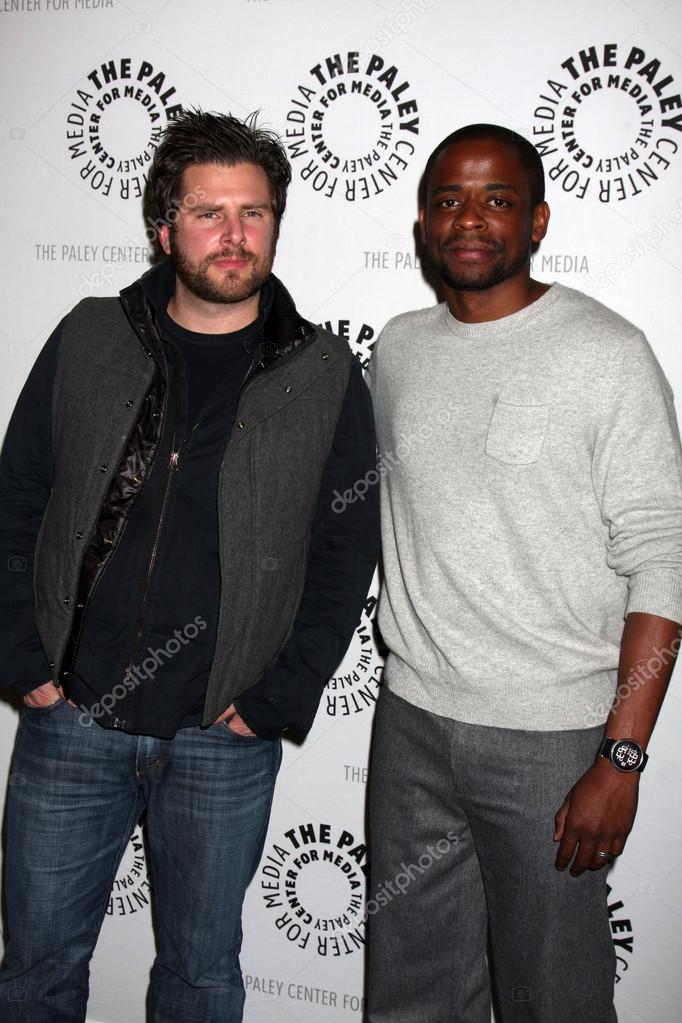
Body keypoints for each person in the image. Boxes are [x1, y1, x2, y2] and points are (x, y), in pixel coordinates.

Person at [0, 109, 378, 1023]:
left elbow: (344, 556)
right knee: (37, 973)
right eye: (210, 213)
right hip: (72, 722)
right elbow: (16, 504)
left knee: (202, 976)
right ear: (164, 227)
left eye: (255, 212)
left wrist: (275, 701)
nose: (235, 234)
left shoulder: (325, 370)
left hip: (223, 734)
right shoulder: (88, 335)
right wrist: (25, 667)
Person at [365, 123, 682, 1023]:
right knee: (411, 994)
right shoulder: (397, 349)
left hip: (551, 741)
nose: (470, 218)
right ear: (423, 223)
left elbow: (664, 554)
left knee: (557, 1000)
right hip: (412, 724)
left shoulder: (606, 353)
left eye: (496, 198)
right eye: (448, 200)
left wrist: (619, 756)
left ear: (538, 218)